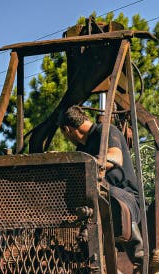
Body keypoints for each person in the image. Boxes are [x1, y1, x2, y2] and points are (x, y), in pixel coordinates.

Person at [58, 105, 144, 261]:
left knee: (106, 194)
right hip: (97, 201)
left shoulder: (105, 131)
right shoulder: (81, 149)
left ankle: (140, 255)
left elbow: (115, 158)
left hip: (127, 198)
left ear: (67, 130)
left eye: (64, 135)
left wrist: (91, 163)